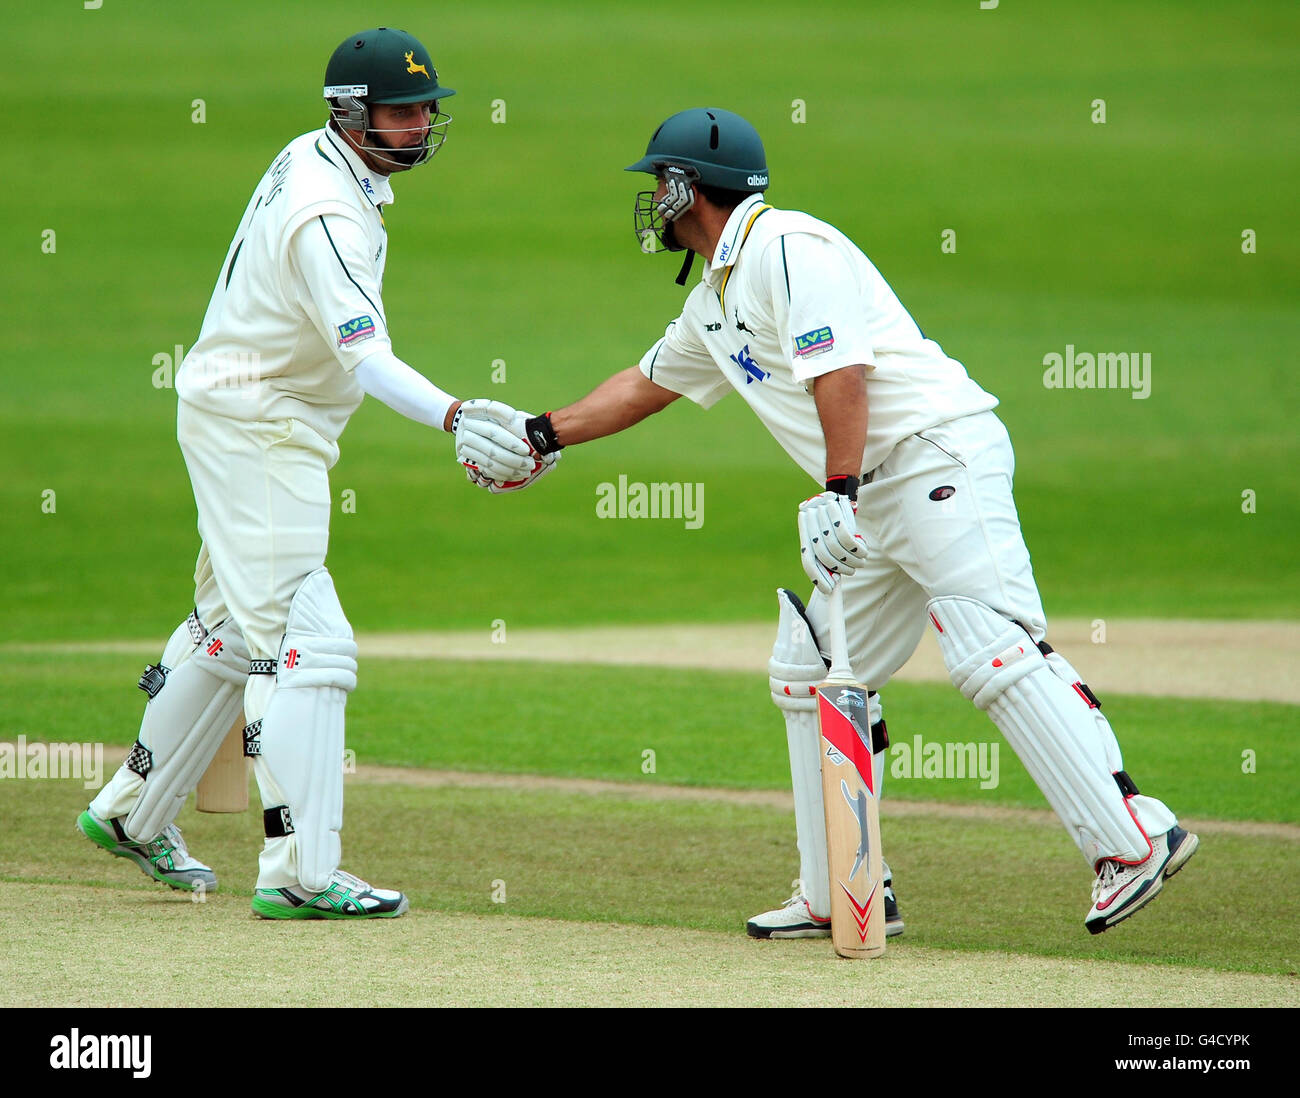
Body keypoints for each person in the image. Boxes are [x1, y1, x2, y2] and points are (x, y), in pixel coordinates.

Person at [455, 107, 1198, 937]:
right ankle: (842, 886)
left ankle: (1134, 838)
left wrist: (839, 488)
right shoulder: (715, 298)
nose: (654, 201)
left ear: (691, 187)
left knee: (990, 646)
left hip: (931, 457)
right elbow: (645, 384)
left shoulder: (787, 249)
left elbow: (843, 371)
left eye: (660, 183)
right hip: (872, 494)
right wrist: (540, 434)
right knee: (811, 672)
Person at [77, 27, 549, 919]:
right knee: (306, 639)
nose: (417, 126)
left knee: (228, 630)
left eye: (424, 111)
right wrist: (458, 415)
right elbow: (367, 360)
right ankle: (299, 872)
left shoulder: (316, 157)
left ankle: (132, 813)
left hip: (241, 411)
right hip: (263, 429)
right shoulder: (325, 211)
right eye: (400, 112)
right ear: (350, 114)